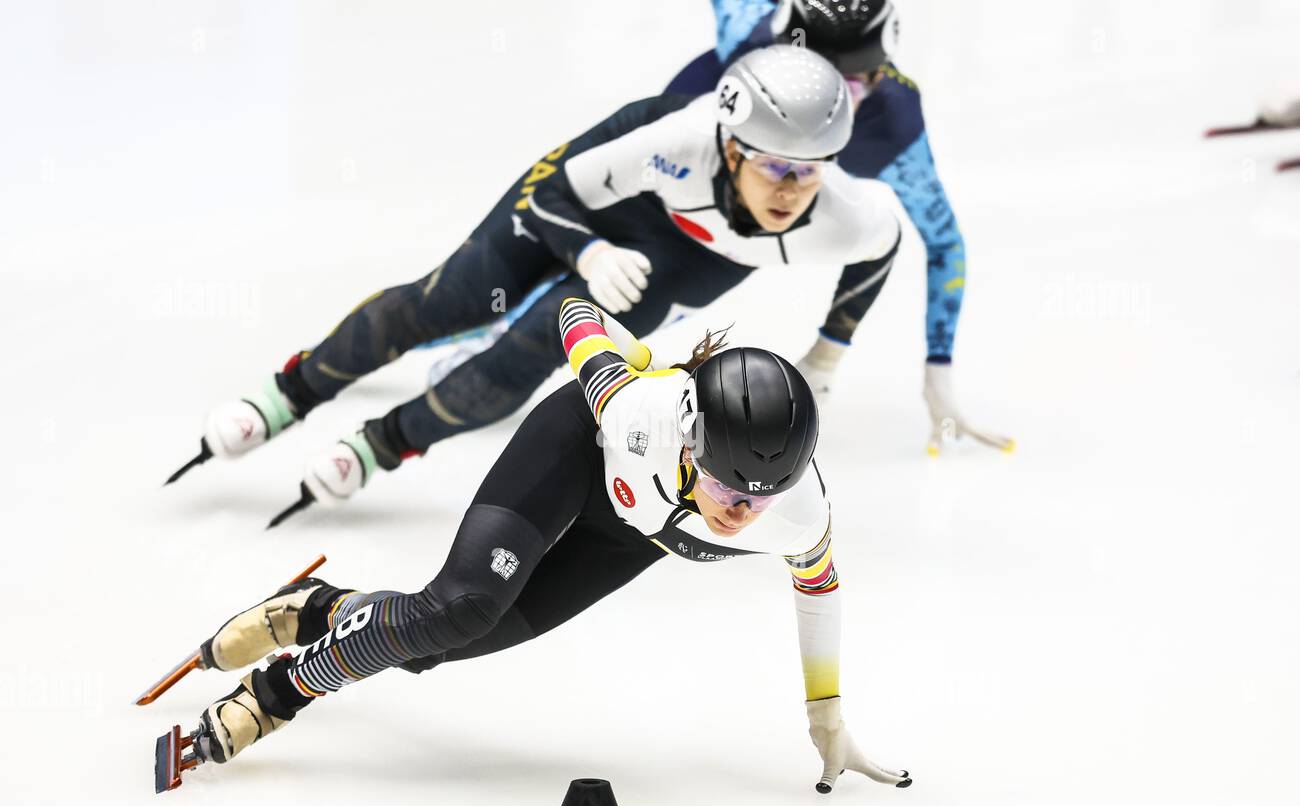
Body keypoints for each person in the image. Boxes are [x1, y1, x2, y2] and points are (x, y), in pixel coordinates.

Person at [168, 297, 911, 795]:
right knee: (461, 607)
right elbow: (576, 313)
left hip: (626, 539)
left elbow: (820, 589)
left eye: (760, 500)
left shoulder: (800, 511)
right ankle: (276, 696)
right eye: (725, 487)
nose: (740, 514)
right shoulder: (634, 414)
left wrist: (827, 714)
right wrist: (635, 353)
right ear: (690, 438)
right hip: (574, 454)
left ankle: (313, 611)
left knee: (430, 644)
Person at [167, 45, 902, 522]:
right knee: (446, 302)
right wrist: (586, 254)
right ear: (730, 144)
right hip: (584, 206)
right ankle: (287, 394)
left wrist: (828, 353)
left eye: (809, 171)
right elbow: (553, 195)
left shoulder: (840, 214)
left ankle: (380, 446)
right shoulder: (673, 138)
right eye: (774, 166)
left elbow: (886, 246)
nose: (791, 190)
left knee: (530, 350)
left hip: (680, 264)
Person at [667, 0, 1013, 454]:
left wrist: (939, 374)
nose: (826, 107)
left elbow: (944, 243)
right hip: (700, 143)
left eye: (849, 84)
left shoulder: (894, 123)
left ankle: (822, 366)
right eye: (809, 75)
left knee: (876, 235)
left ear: (878, 74)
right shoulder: (748, 37)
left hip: (744, 198)